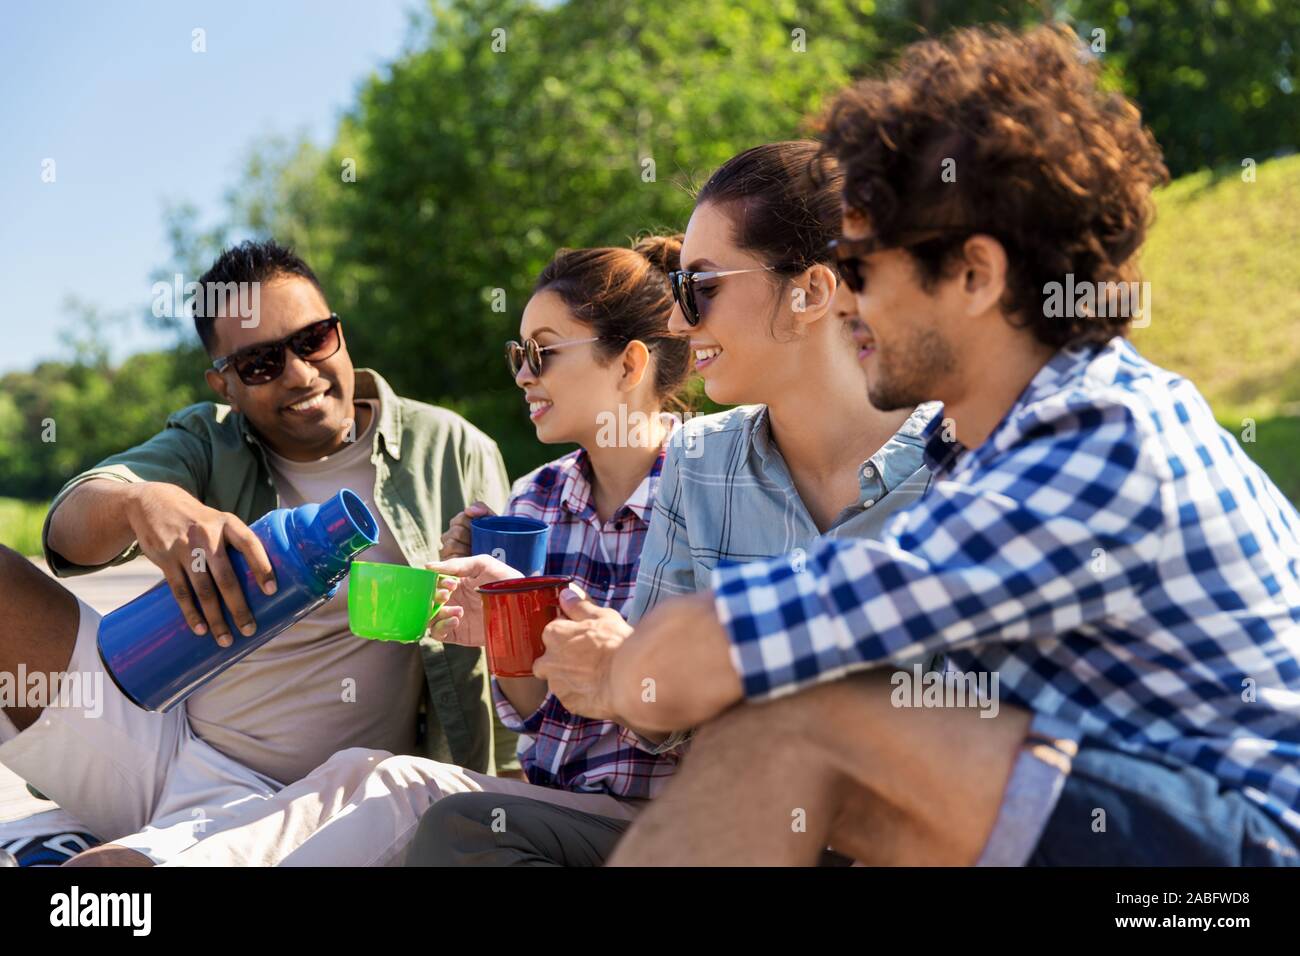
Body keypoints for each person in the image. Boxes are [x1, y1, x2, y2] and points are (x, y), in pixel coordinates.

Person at [529, 25, 1300, 866]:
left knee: (804, 722)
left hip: (1234, 864)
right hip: (1141, 834)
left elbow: (733, 645)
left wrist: (623, 673)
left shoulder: (1100, 437)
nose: (849, 302)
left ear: (974, 275)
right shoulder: (998, 444)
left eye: (865, 267)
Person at [410, 141, 939, 865]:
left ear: (812, 292)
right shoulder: (699, 459)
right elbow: (655, 721)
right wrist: (585, 650)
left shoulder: (960, 456)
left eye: (700, 287)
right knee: (459, 833)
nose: (681, 326)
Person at [150, 234, 696, 866]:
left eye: (543, 354)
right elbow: (539, 720)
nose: (522, 373)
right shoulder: (535, 500)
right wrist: (503, 623)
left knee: (408, 795)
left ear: (629, 366)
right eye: (519, 353)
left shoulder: (711, 483)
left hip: (682, 810)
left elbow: (708, 706)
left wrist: (605, 660)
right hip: (570, 809)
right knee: (361, 769)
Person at [0, 239, 511, 866]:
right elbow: (69, 528)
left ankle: (103, 846)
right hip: (158, 736)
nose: (299, 373)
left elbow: (511, 652)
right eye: (262, 364)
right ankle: (112, 834)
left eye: (313, 339)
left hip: (313, 798)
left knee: (108, 883)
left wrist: (510, 809)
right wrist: (142, 502)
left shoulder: (452, 450)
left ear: (341, 334)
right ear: (225, 384)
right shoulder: (208, 440)